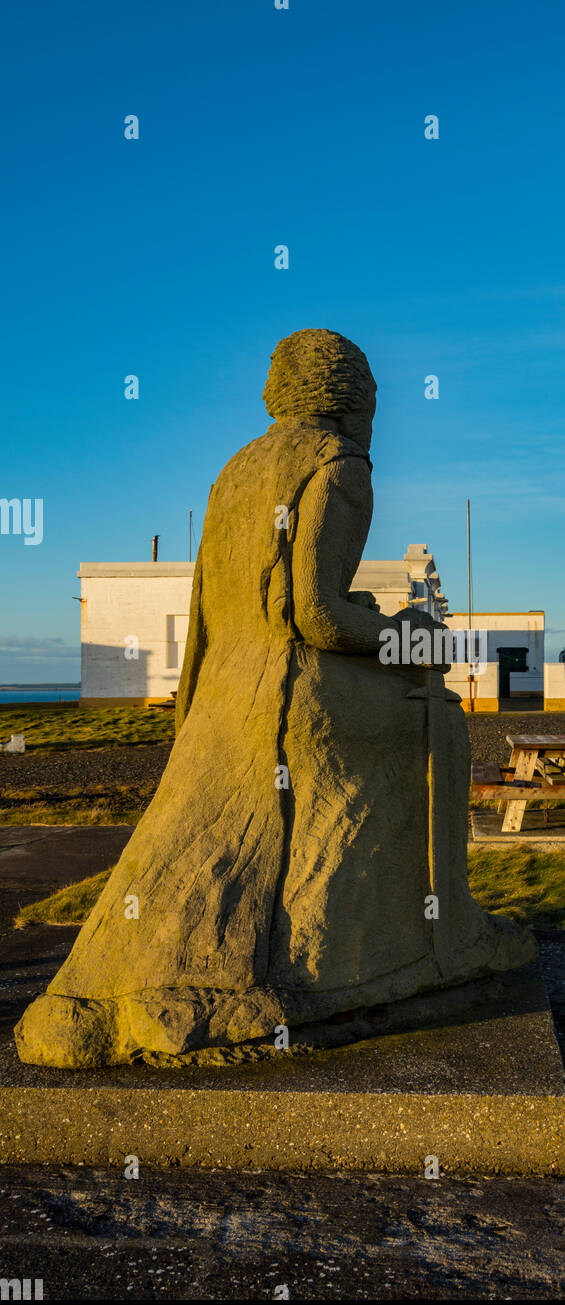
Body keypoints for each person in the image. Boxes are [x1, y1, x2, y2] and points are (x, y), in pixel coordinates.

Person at [16, 329, 536, 1067]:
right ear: (356, 399)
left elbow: (209, 619)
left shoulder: (235, 471)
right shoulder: (340, 465)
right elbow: (314, 615)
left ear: (278, 393)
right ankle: (440, 940)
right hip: (299, 696)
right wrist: (409, 639)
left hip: (226, 698)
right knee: (439, 721)